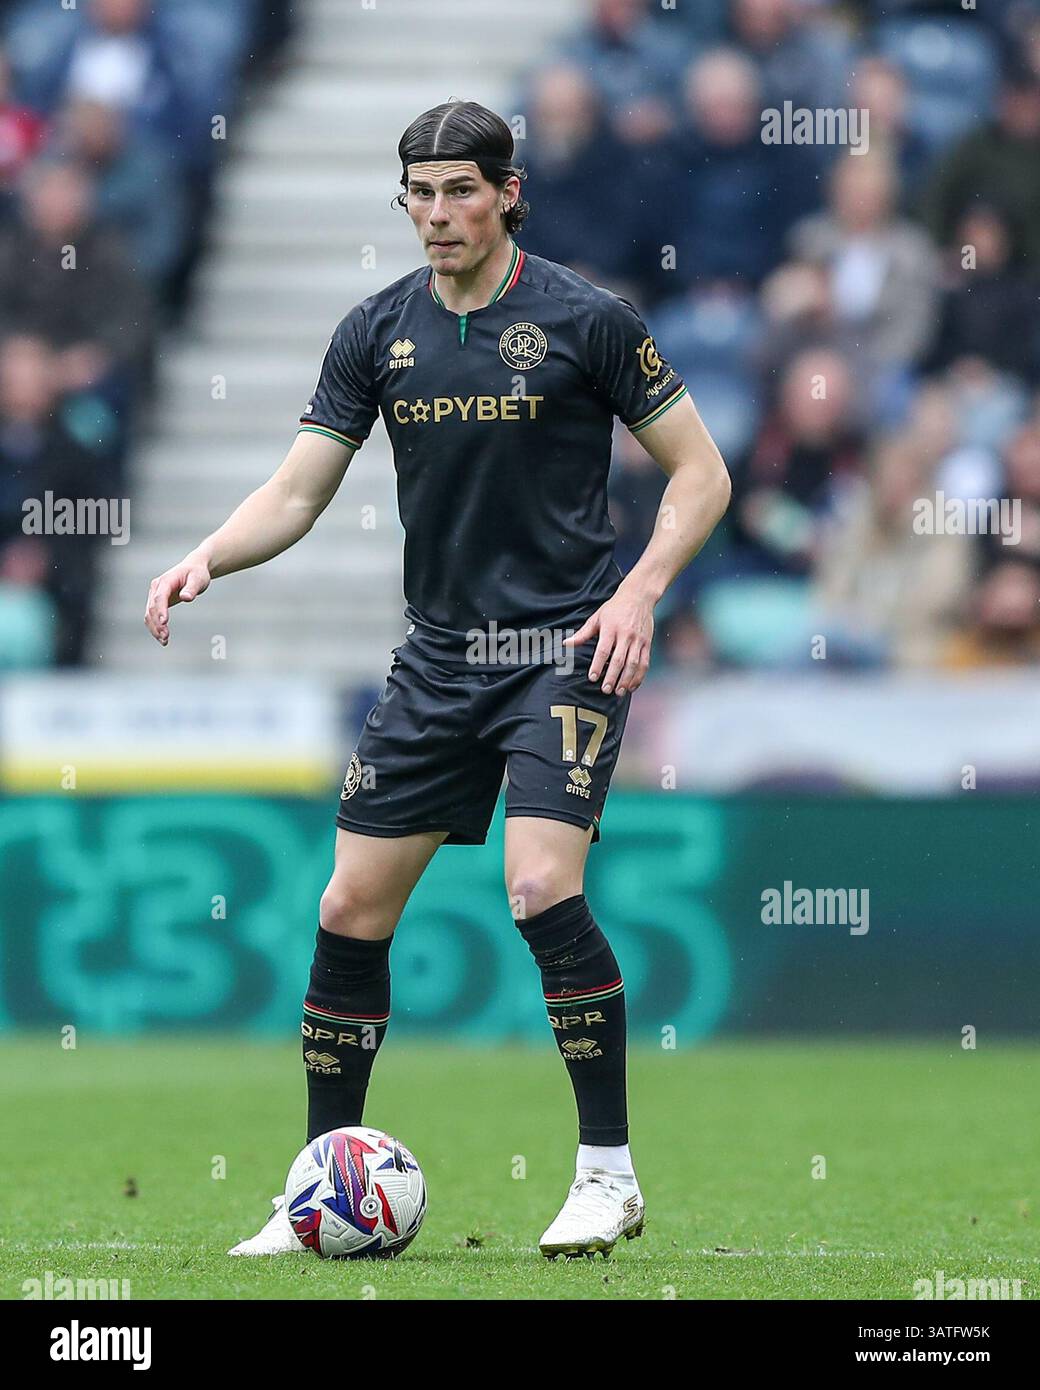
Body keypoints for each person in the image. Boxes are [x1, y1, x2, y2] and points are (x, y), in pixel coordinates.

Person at [144, 101, 730, 1260]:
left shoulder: (587, 320)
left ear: (508, 193)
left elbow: (699, 475)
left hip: (564, 645)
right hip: (436, 656)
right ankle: (314, 1187)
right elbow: (298, 492)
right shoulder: (377, 330)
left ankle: (606, 1175)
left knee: (536, 886)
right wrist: (208, 552)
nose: (438, 213)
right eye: (419, 192)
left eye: (461, 189)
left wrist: (640, 590)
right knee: (346, 909)